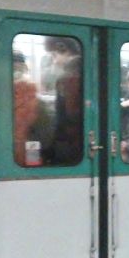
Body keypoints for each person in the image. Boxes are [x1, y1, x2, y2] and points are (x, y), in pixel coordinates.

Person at [46, 36, 83, 164]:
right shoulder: (79, 73)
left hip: (73, 141)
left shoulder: (69, 78)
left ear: (64, 50)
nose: (54, 61)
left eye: (54, 56)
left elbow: (69, 114)